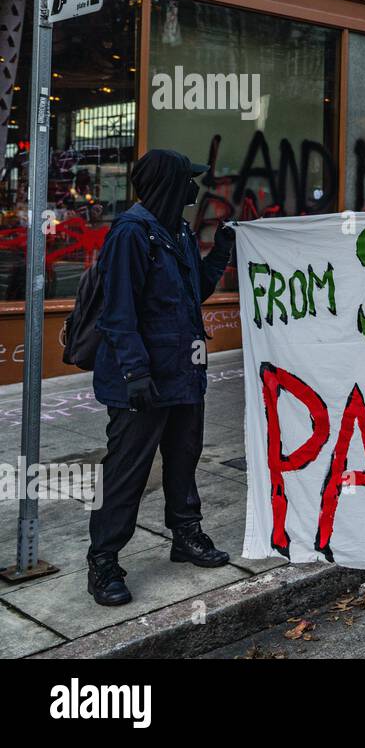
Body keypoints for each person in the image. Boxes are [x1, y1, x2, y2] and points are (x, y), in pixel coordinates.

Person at [87, 150, 236, 606]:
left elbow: (194, 295)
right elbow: (118, 311)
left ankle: (185, 534)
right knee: (126, 472)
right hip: (145, 380)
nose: (194, 189)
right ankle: (104, 561)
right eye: (187, 181)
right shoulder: (131, 234)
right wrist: (135, 371)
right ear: (168, 184)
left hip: (184, 374)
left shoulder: (179, 232)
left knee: (183, 457)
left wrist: (220, 254)